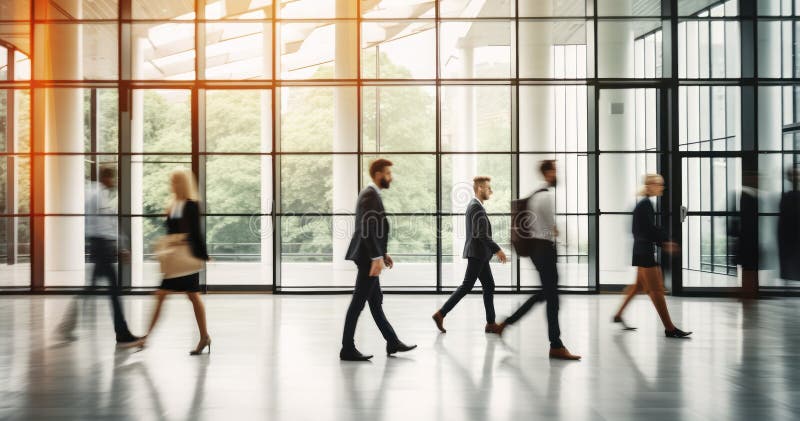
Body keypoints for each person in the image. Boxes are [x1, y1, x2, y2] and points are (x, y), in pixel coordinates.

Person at [496, 160, 581, 360]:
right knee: (552, 299)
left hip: (536, 249)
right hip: (544, 249)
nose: (557, 174)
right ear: (548, 173)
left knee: (545, 294)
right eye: (555, 171)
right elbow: (550, 227)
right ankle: (556, 345)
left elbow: (539, 227)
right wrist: (561, 237)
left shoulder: (535, 196)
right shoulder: (546, 198)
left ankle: (506, 323)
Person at [56, 166, 143, 348]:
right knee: (113, 292)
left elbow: (99, 223)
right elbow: (105, 224)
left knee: (93, 290)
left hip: (98, 246)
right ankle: (122, 333)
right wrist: (120, 247)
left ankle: (66, 326)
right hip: (102, 247)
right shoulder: (99, 195)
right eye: (113, 178)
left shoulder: (93, 193)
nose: (114, 182)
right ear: (106, 177)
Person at [340, 158, 416, 361]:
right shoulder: (370, 195)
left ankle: (392, 341)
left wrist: (382, 254)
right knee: (358, 303)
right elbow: (367, 228)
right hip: (367, 259)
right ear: (378, 174)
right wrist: (375, 257)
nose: (391, 177)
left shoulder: (372, 195)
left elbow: (372, 228)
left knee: (375, 303)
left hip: (370, 256)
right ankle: (347, 348)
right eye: (388, 173)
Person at [612, 173, 692, 338]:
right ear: (650, 186)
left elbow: (641, 230)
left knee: (638, 287)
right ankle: (670, 328)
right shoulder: (646, 205)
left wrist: (661, 241)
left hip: (641, 250)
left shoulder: (644, 204)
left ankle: (618, 315)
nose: (662, 187)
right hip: (644, 252)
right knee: (656, 290)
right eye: (659, 184)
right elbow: (647, 230)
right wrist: (664, 242)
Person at [142, 169, 212, 355]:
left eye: (174, 181)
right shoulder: (172, 204)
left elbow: (196, 232)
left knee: (187, 296)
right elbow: (170, 231)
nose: (171, 184)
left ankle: (203, 337)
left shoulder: (191, 205)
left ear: (181, 183)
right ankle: (147, 338)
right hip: (175, 260)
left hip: (185, 258)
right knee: (167, 295)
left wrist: (204, 254)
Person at [432, 176, 507, 334]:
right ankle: (441, 314)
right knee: (467, 286)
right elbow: (481, 234)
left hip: (480, 254)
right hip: (477, 253)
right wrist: (497, 249)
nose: (490, 191)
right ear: (480, 189)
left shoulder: (476, 206)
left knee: (488, 285)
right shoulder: (475, 207)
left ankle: (491, 323)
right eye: (488, 188)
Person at [778, 166, 800, 282]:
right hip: (790, 239)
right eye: (794, 175)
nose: (796, 178)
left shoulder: (786, 197)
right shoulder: (786, 197)